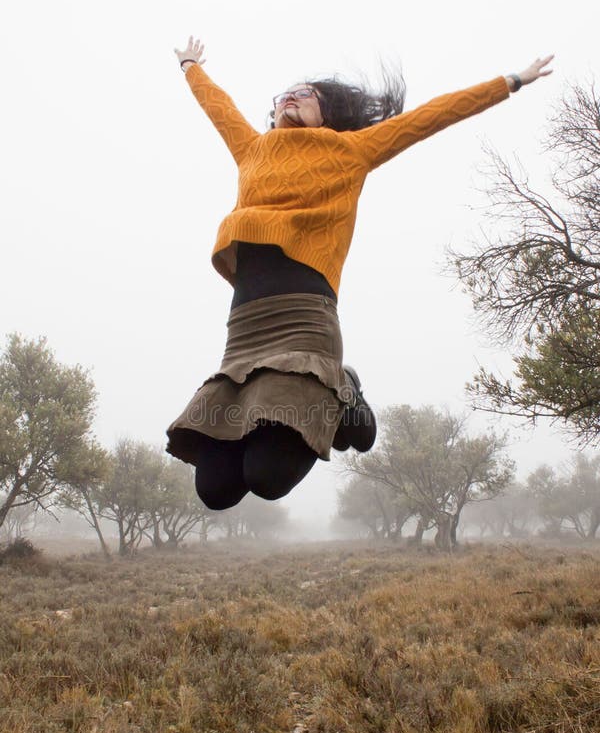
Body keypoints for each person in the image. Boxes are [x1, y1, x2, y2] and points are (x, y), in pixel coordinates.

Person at [166, 36, 553, 510]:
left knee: (266, 478)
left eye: (307, 94)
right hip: (244, 327)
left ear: (326, 112)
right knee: (216, 490)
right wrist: (191, 67)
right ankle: (326, 397)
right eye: (287, 92)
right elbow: (218, 107)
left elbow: (431, 117)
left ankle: (341, 390)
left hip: (304, 319)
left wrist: (511, 81)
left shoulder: (350, 150)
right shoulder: (253, 149)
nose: (293, 96)